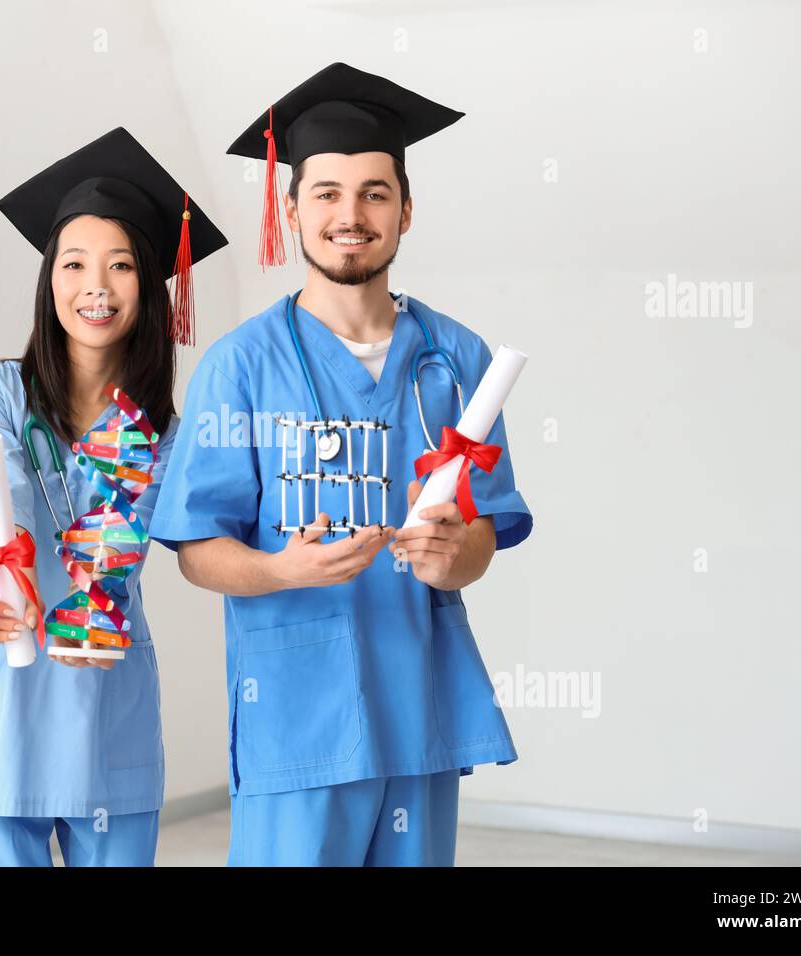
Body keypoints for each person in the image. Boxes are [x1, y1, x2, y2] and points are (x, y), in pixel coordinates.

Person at [149, 63, 534, 866]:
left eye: (374, 192)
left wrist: (451, 554)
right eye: (325, 193)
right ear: (290, 210)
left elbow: (482, 540)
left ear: (405, 210)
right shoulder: (239, 367)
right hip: (295, 716)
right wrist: (283, 569)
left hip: (421, 710)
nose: (349, 215)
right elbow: (196, 552)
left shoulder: (457, 358)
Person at [0, 127, 227, 867]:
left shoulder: (161, 434)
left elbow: (130, 533)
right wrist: (10, 571)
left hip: (102, 693)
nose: (96, 287)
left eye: (120, 267)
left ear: (148, 285)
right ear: (49, 279)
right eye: (75, 263)